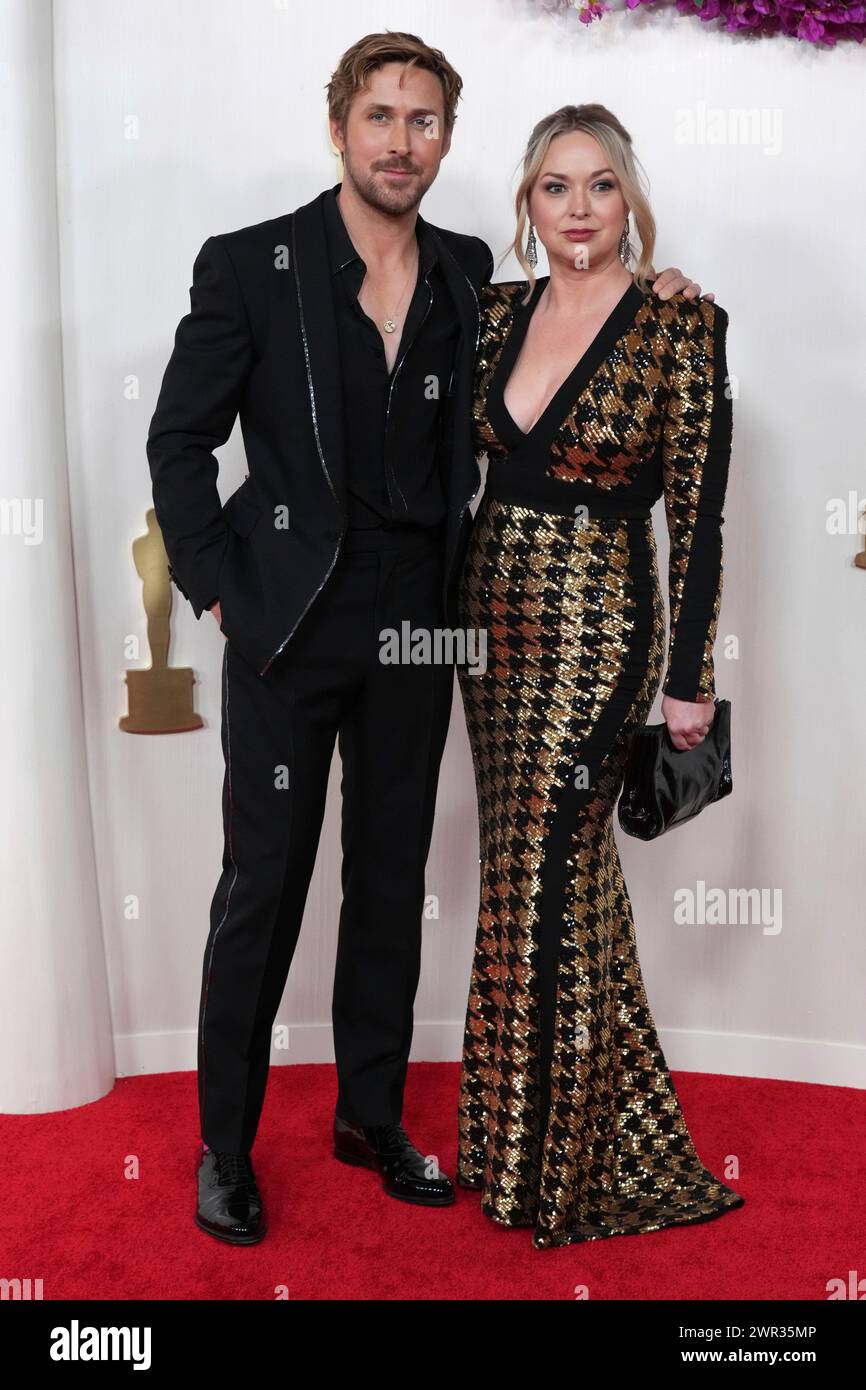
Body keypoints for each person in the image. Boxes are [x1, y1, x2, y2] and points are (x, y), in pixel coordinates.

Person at [146, 31, 708, 1245]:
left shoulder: (468, 277)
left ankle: (368, 1115)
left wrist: (664, 282)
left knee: (391, 880)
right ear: (339, 124)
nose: (402, 140)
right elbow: (178, 445)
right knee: (264, 886)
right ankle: (225, 1147)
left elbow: (583, 300)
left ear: (446, 139)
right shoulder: (253, 265)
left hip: (427, 625)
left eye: (424, 120)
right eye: (380, 116)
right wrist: (220, 592)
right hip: (288, 625)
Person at [454, 103, 745, 1249]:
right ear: (526, 207)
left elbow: (701, 520)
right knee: (522, 875)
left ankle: (563, 1167)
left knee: (554, 872)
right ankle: (516, 1139)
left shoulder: (681, 325)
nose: (576, 210)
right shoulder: (490, 315)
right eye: (552, 188)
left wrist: (689, 677)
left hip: (602, 632)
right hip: (489, 632)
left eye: (598, 186)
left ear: (630, 198)